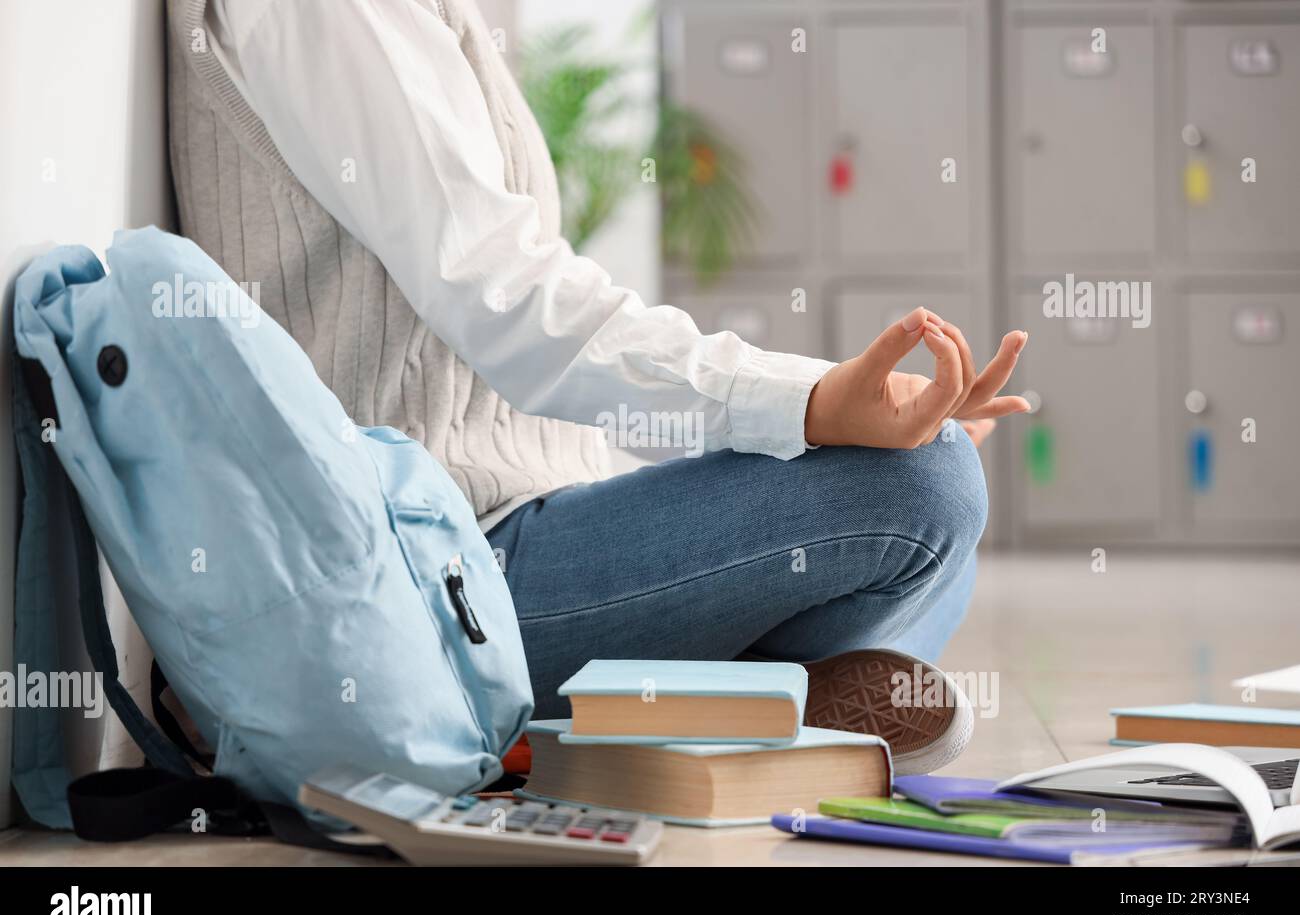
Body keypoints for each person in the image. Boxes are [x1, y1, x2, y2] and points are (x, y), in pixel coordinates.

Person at [165, 0, 1028, 772]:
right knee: (926, 488)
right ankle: (713, 726)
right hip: (429, 579)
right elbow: (506, 298)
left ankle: (683, 724)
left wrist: (845, 431)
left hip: (518, 536)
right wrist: (811, 404)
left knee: (932, 490)